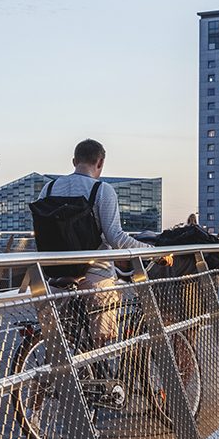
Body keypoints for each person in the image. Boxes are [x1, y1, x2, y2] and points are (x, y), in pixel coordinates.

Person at [35, 138, 171, 344]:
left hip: (55, 276)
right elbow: (116, 238)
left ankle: (59, 372)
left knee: (58, 342)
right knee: (102, 344)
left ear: (74, 161)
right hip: (95, 276)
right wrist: (154, 252)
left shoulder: (49, 188)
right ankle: (95, 370)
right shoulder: (102, 190)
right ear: (100, 162)